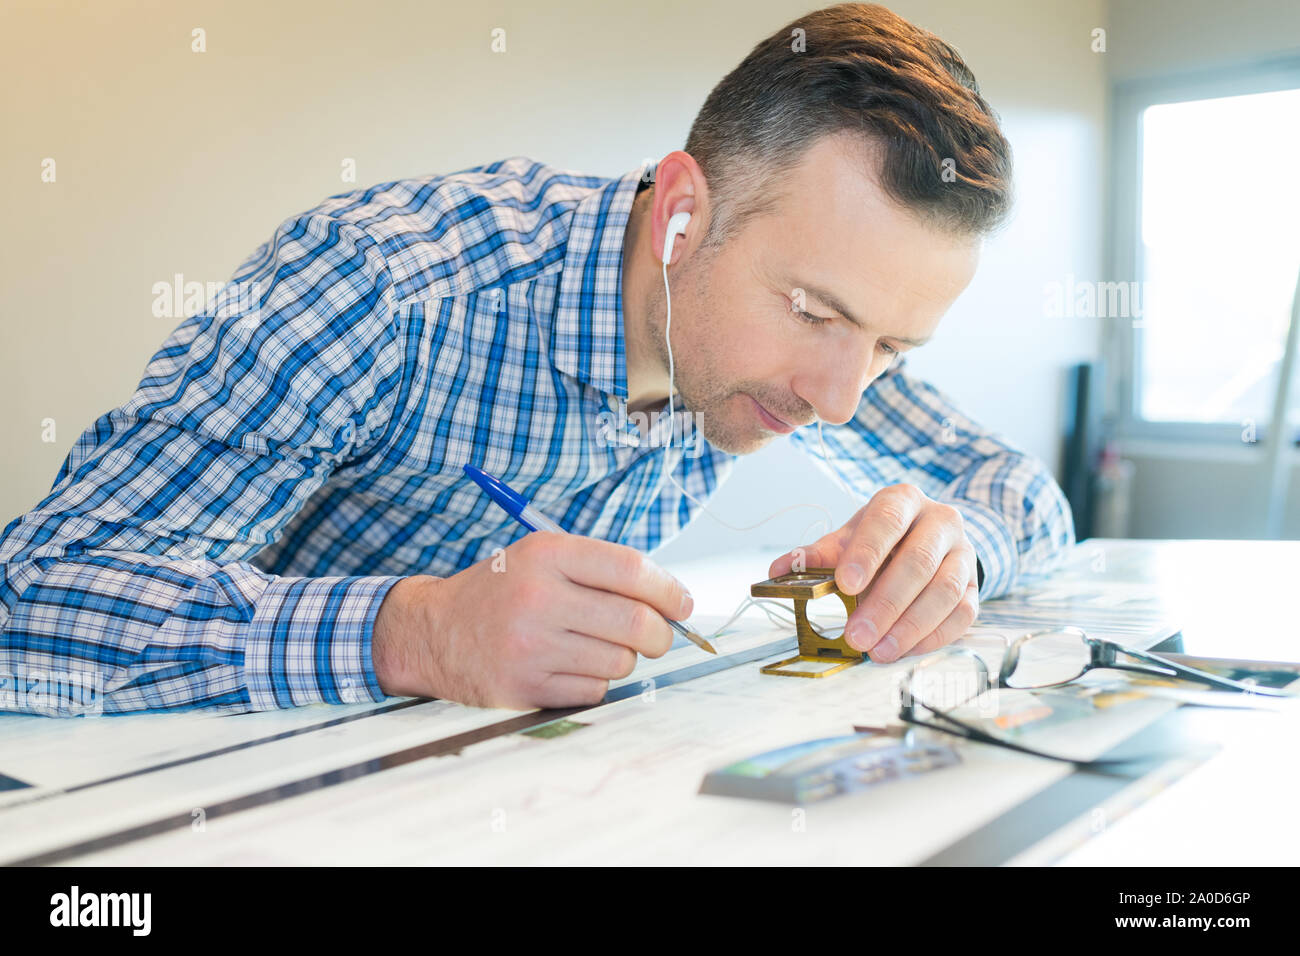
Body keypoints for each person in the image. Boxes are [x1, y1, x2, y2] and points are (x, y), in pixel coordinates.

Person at [0, 3, 1073, 716]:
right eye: (811, 312)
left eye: (891, 346)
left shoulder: (813, 345)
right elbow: (32, 601)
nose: (841, 398)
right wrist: (409, 632)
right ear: (684, 215)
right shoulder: (383, 284)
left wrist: (952, 556)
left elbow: (1019, 494)